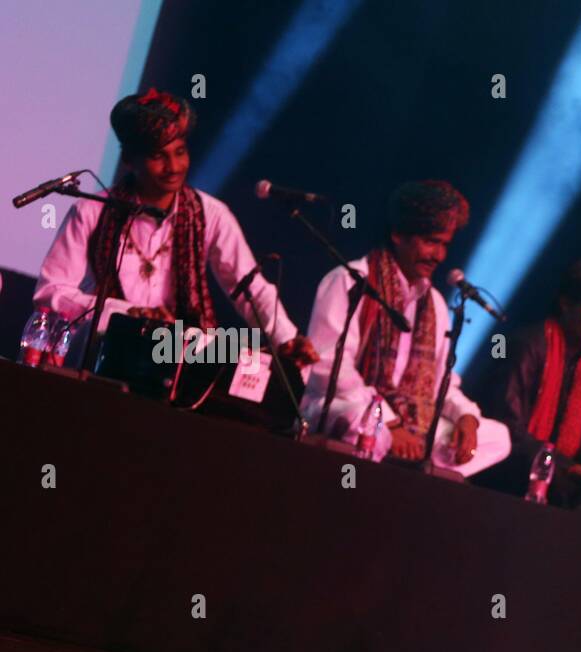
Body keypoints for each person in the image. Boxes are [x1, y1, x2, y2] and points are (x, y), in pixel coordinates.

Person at [34, 87, 315, 369]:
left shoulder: (211, 214)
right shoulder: (92, 210)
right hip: (100, 357)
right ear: (130, 161)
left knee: (242, 364)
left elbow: (250, 287)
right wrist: (124, 313)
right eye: (158, 156)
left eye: (179, 152)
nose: (174, 166)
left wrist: (286, 337)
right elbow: (50, 290)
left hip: (181, 363)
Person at [299, 180, 509, 475]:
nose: (439, 255)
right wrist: (387, 419)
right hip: (344, 407)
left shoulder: (434, 303)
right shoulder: (350, 280)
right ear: (398, 234)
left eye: (444, 244)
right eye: (430, 242)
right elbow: (328, 368)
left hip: (413, 421)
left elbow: (440, 385)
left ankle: (417, 477)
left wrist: (466, 418)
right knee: (363, 422)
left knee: (498, 437)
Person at [484, 260, 581, 507]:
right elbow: (507, 429)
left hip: (552, 474)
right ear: (566, 303)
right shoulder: (526, 345)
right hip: (508, 472)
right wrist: (576, 471)